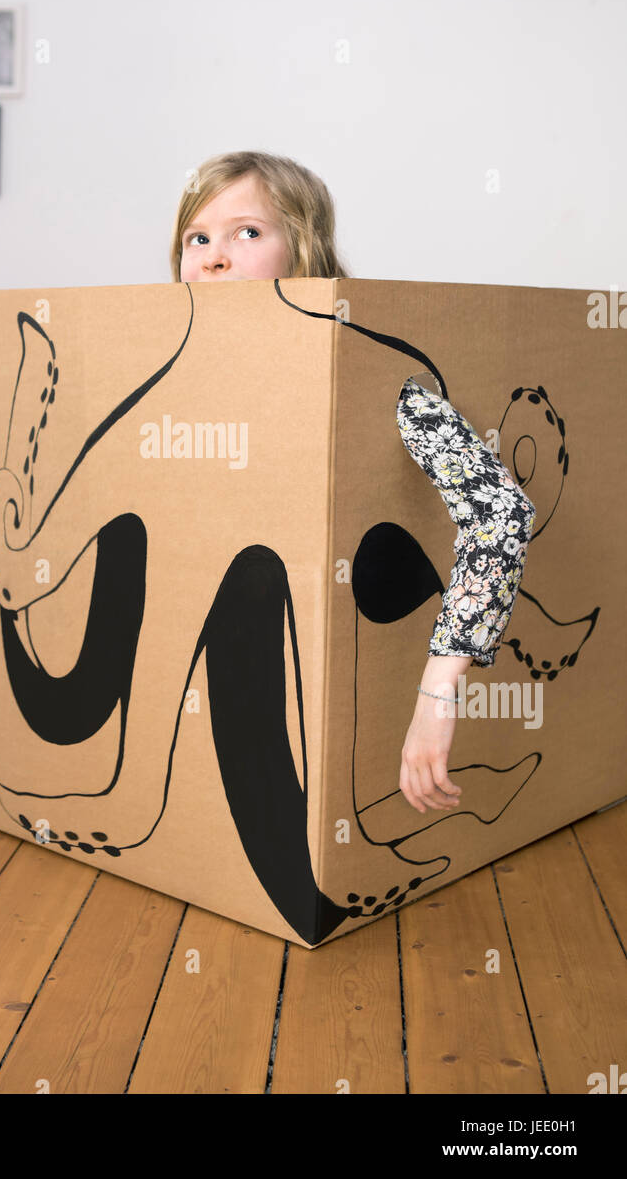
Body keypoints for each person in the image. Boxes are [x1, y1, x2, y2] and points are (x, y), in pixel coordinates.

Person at [168, 149, 536, 818]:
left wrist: (438, 689)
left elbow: (499, 512)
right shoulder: (176, 387)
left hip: (350, 645)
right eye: (198, 238)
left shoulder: (374, 379)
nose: (214, 256)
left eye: (246, 232)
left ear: (304, 249)